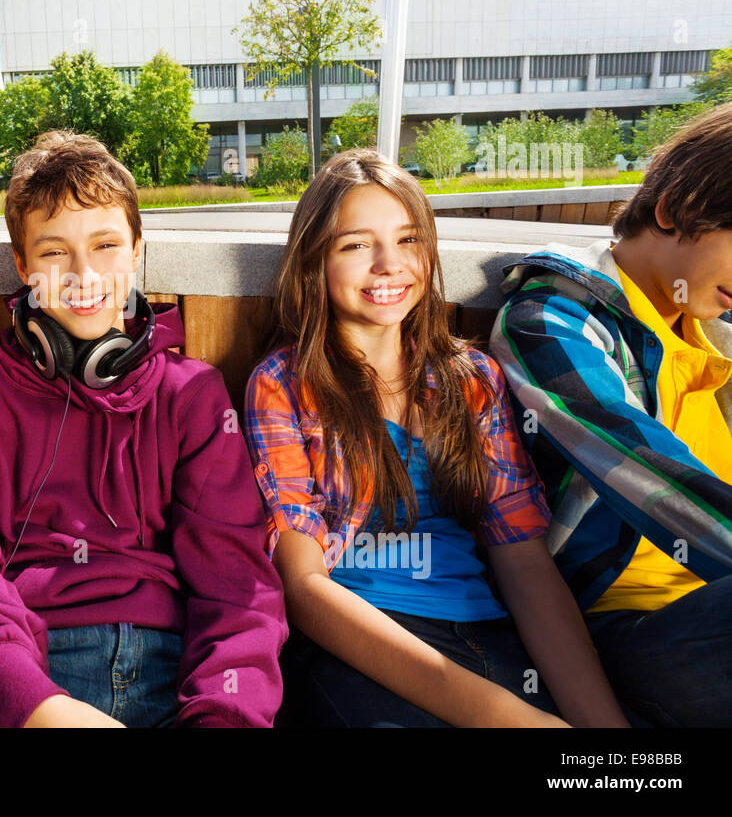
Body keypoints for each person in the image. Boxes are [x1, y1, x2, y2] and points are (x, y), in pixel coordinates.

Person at [0, 131, 286, 728]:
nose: (82, 273)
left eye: (105, 244)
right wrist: (33, 702)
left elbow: (237, 586)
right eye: (53, 253)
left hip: (165, 665)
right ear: (23, 266)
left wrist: (221, 713)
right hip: (9, 668)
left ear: (134, 252)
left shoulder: (193, 396)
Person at [245, 148, 628, 727]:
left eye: (408, 240)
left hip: (488, 636)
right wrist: (503, 717)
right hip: (361, 646)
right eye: (354, 245)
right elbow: (302, 586)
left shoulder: (472, 380)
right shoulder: (285, 385)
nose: (388, 265)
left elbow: (523, 560)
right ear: (314, 264)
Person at [489, 102, 732, 726]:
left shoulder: (707, 340)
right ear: (676, 207)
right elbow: (641, 465)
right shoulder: (553, 319)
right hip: (626, 633)